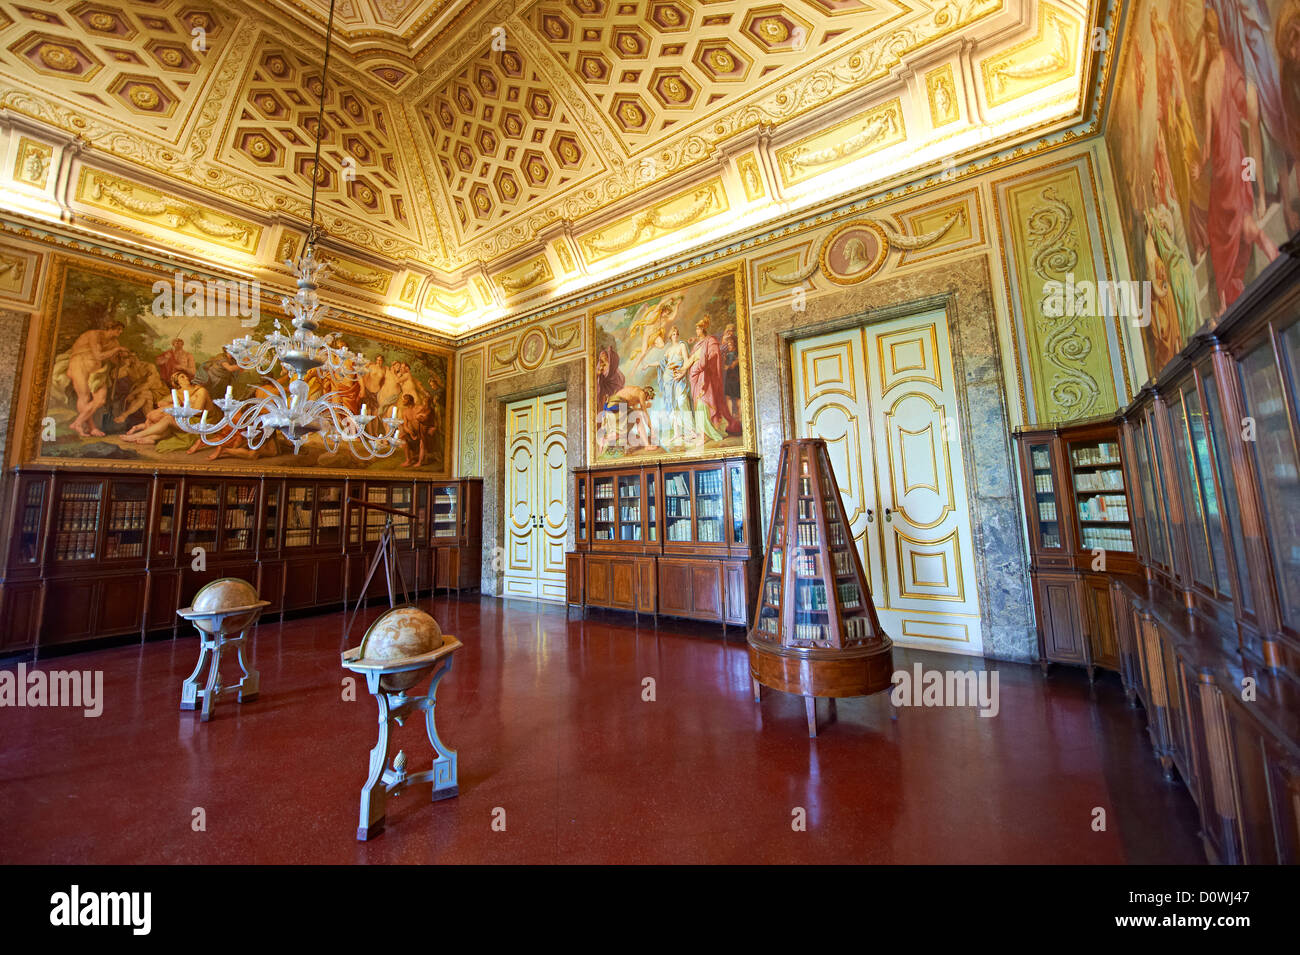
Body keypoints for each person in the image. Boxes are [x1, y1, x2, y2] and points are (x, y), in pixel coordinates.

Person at [1201, 7, 1279, 313]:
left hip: (1223, 164)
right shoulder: (1230, 63)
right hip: (1237, 154)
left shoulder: (1209, 77)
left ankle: (1226, 301)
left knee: (1221, 228)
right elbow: (1244, 106)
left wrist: (1198, 164)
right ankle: (1271, 253)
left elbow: (1207, 145)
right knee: (1242, 220)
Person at [53, 320, 129, 437]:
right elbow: (98, 355)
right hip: (79, 364)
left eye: (121, 330)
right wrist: (116, 351)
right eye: (118, 329)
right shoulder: (94, 335)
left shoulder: (115, 343)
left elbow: (112, 360)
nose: (120, 332)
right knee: (85, 396)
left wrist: (121, 357)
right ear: (110, 328)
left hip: (98, 371)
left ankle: (77, 423)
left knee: (100, 399)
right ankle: (91, 428)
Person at [677, 316, 741, 443]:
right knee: (698, 406)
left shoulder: (710, 340)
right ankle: (702, 433)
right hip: (696, 378)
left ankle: (706, 433)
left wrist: (701, 361)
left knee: (703, 404)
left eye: (698, 328)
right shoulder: (697, 344)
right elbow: (691, 359)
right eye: (696, 328)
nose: (696, 330)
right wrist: (683, 371)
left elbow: (714, 355)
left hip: (706, 377)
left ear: (703, 329)